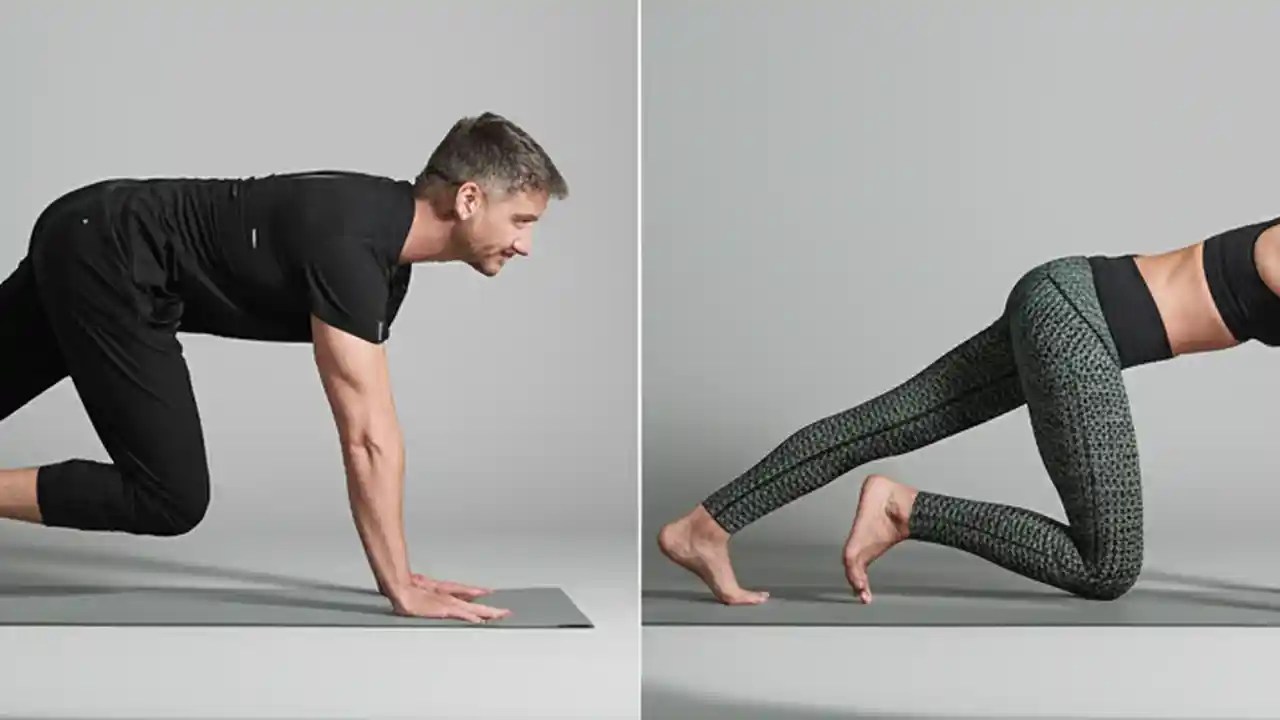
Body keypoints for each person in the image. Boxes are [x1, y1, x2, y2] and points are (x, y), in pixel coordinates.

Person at [0, 112, 568, 623]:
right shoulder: (354, 249)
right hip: (108, 255)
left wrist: (399, 573)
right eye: (521, 220)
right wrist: (400, 585)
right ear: (468, 199)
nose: (525, 245)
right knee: (168, 496)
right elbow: (368, 438)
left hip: (89, 229)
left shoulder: (380, 250)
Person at [659, 214, 1280, 605]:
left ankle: (703, 527)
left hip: (1065, 297)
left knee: (895, 418)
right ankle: (903, 511)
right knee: (1108, 565)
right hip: (1080, 325)